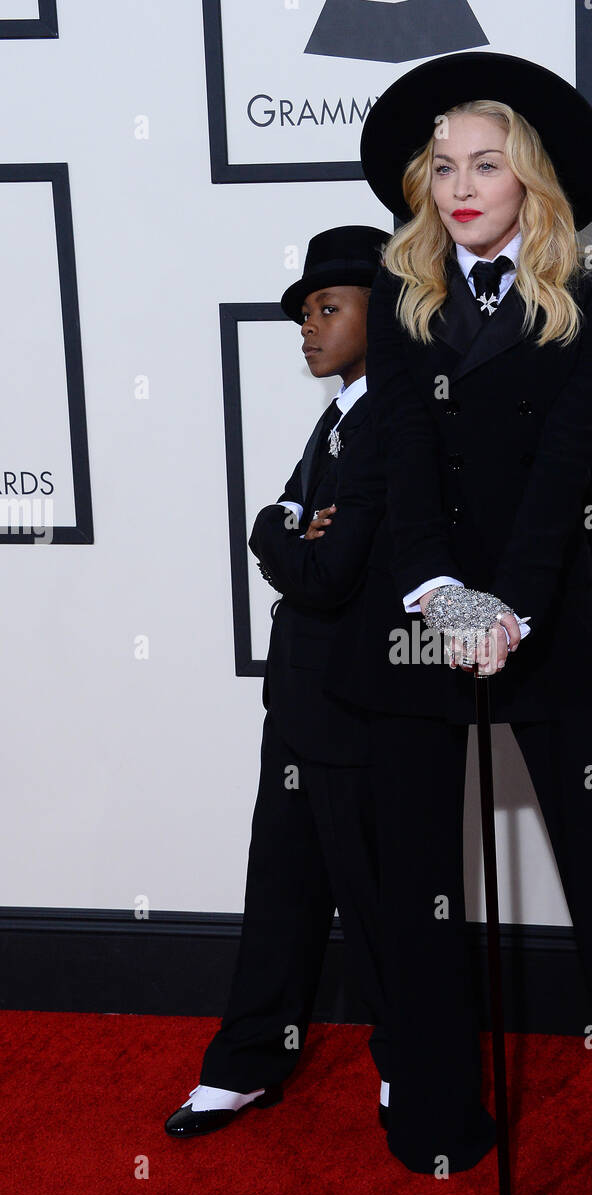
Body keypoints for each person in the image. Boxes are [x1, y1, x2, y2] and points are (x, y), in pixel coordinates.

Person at [324, 53, 592, 1195]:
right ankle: (437, 1123)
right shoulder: (402, 288)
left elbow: (564, 469)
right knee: (412, 870)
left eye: (486, 165)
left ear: (530, 183)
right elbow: (404, 464)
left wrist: (504, 606)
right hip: (416, 616)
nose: (462, 187)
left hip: (543, 611)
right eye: (443, 166)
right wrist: (441, 597)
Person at [164, 225, 394, 1138]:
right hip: (296, 701)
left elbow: (327, 572)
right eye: (304, 314)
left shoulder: (395, 418)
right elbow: (299, 536)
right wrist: (288, 518)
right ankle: (246, 1064)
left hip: (360, 706)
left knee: (379, 902)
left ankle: (410, 1068)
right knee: (280, 892)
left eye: (328, 309)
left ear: (392, 312)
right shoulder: (338, 414)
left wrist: (277, 528)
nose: (309, 328)